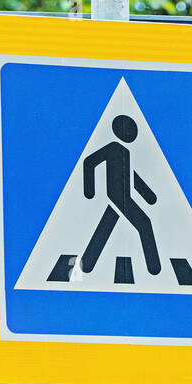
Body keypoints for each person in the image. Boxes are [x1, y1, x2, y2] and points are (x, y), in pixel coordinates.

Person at [80, 114, 160, 275]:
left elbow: (130, 176)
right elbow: (89, 162)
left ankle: (87, 265)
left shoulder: (124, 151)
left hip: (120, 196)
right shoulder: (113, 148)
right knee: (144, 224)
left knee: (106, 226)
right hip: (117, 196)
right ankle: (155, 268)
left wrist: (149, 196)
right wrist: (89, 191)